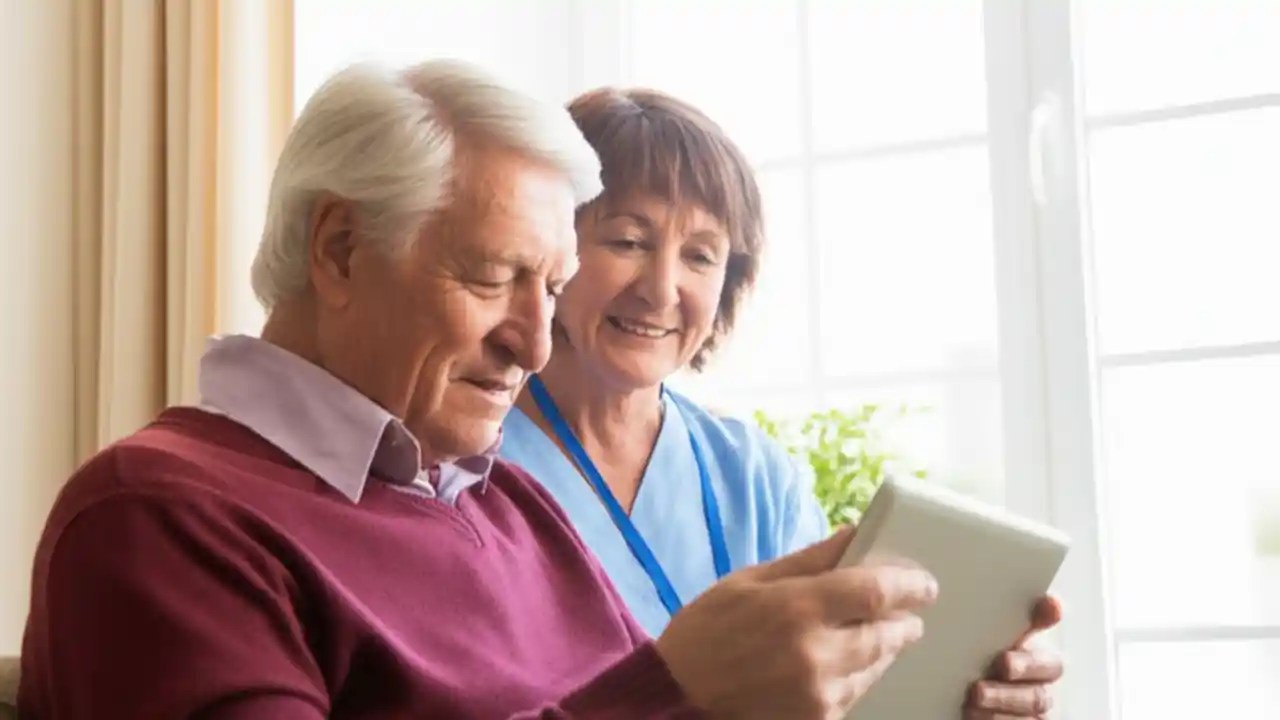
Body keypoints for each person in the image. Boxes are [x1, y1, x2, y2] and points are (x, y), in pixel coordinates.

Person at [18, 59, 940, 719]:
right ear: (340, 251)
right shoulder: (160, 518)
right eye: (495, 278)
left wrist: (920, 695)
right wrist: (674, 695)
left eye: (550, 287)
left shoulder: (511, 507)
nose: (535, 343)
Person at [500, 86, 1064, 718]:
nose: (662, 290)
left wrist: (962, 695)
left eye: (700, 255)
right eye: (628, 241)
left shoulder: (757, 477)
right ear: (551, 249)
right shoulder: (467, 466)